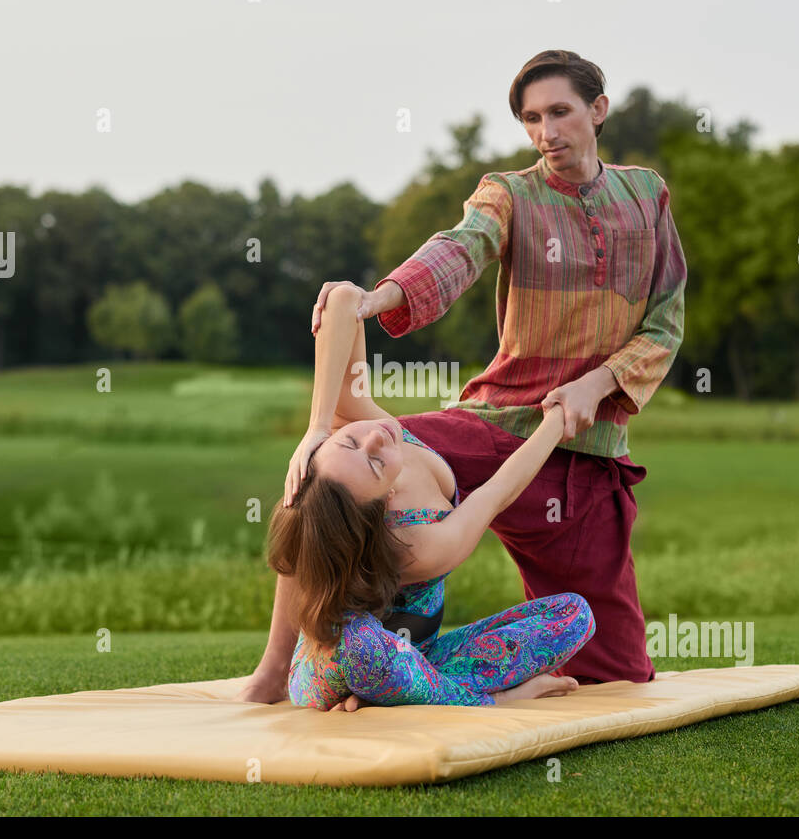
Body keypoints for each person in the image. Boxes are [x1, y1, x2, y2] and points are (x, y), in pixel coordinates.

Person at [238, 49, 686, 702]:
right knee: (322, 481)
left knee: (615, 674)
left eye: (559, 112)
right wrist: (374, 300)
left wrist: (599, 383)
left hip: (584, 453)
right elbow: (461, 247)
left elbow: (665, 322)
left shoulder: (647, 194)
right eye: (531, 119)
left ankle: (437, 674)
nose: (546, 132)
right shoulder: (510, 192)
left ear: (598, 109)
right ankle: (279, 668)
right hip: (488, 425)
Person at [268, 283, 595, 710]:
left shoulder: (373, 432)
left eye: (346, 442)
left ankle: (390, 694)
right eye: (373, 464)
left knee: (574, 615)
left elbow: (344, 299)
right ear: (381, 508)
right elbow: (497, 492)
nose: (374, 440)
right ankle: (490, 698)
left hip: (421, 660)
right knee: (362, 645)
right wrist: (558, 420)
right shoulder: (417, 545)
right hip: (339, 664)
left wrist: (317, 425)